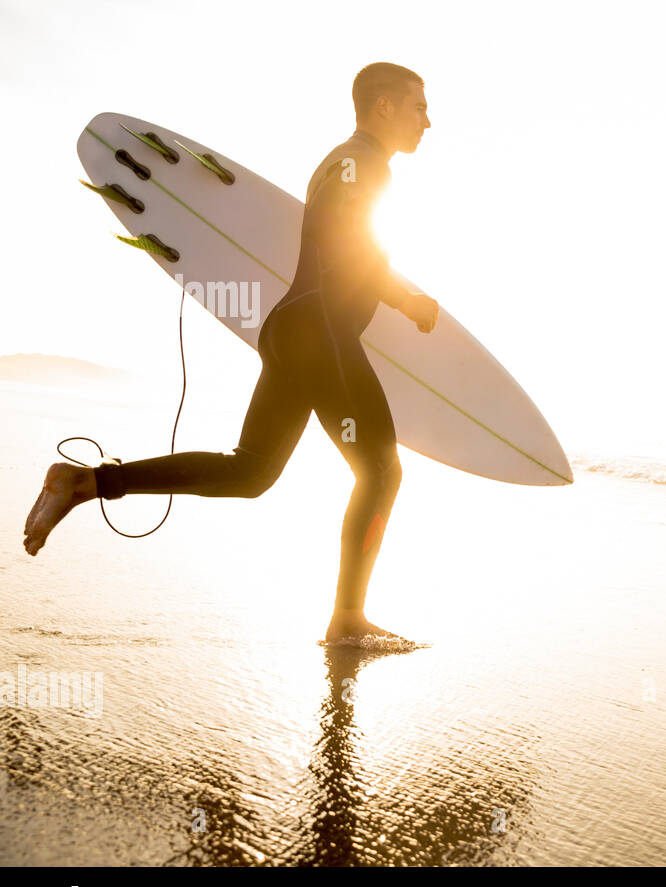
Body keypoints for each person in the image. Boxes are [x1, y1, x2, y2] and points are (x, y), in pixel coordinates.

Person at [23, 62, 439, 644]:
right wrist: (404, 299)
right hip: (320, 334)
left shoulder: (346, 164)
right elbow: (348, 240)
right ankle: (348, 619)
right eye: (418, 106)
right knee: (381, 472)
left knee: (250, 473)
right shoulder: (360, 162)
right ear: (384, 106)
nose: (429, 120)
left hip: (298, 331)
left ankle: (84, 483)